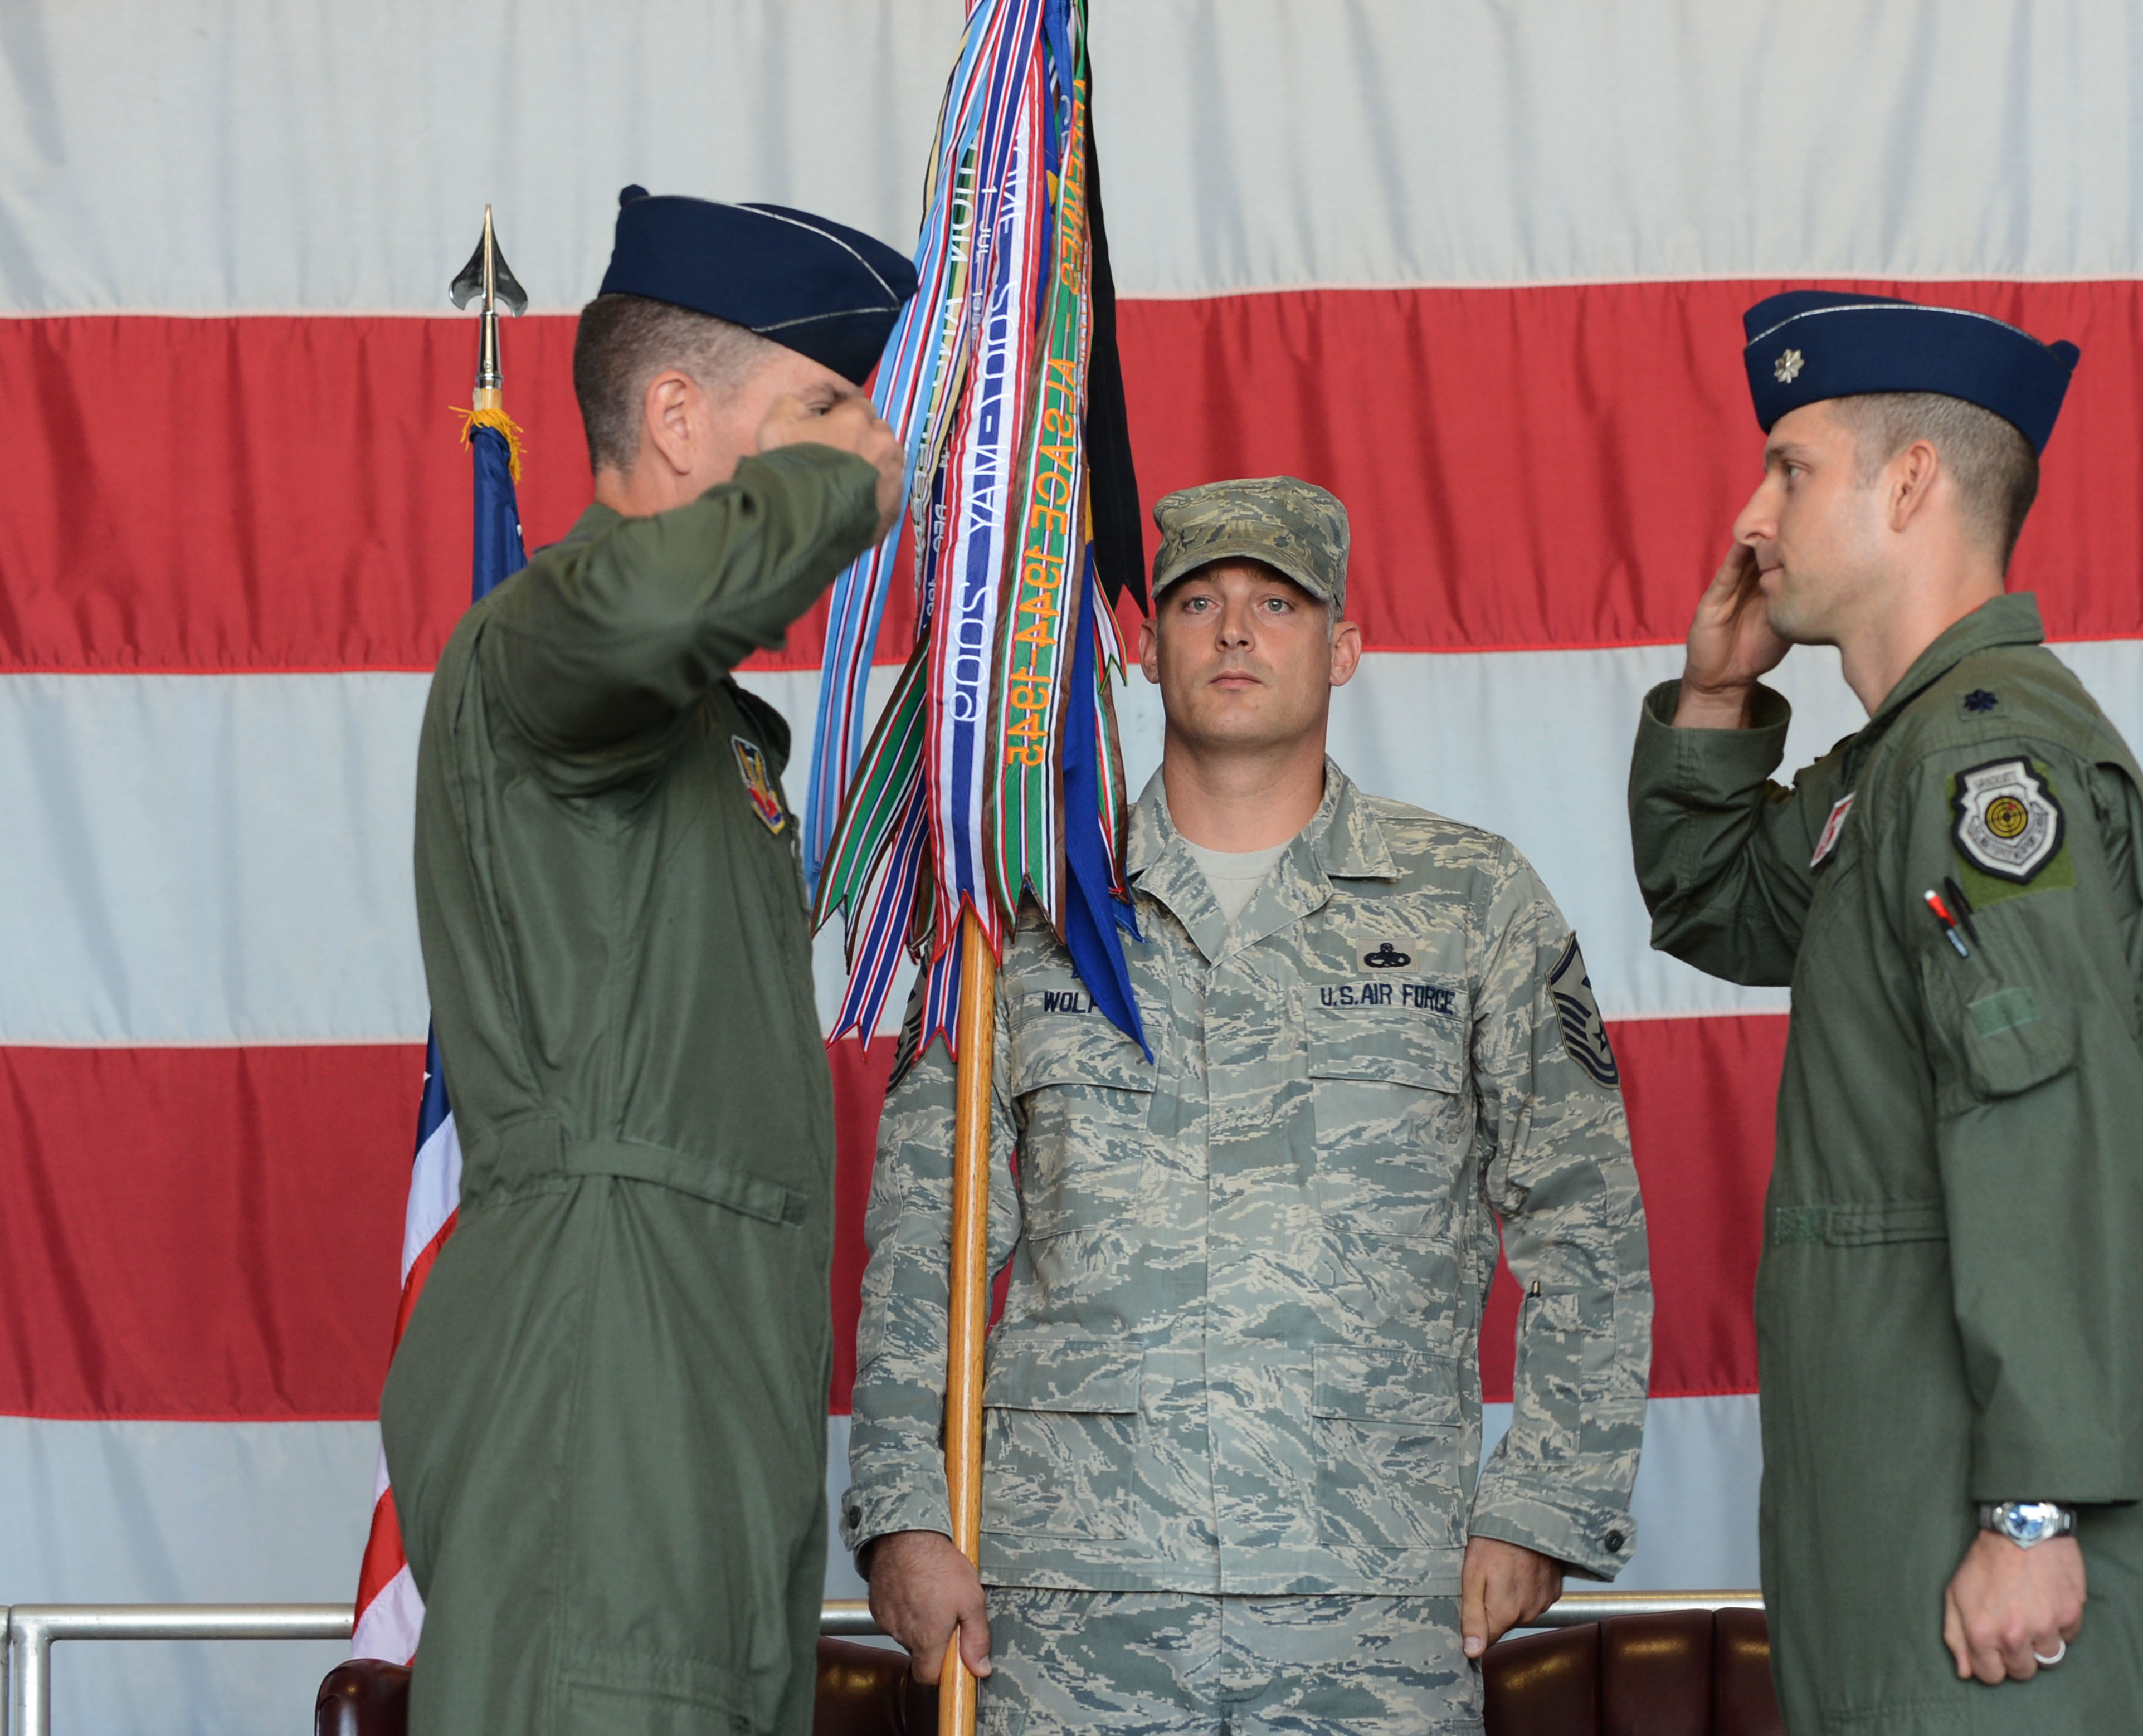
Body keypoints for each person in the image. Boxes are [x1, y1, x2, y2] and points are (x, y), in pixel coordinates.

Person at [845, 477, 1653, 1734]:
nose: (1234, 631)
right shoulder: (1021, 913)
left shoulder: (1468, 900)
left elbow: (1584, 1219)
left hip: (1373, 1601)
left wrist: (1542, 1503)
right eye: (1198, 600)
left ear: (1342, 651)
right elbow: (921, 1242)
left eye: (1278, 601)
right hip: (1070, 1615)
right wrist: (902, 1507)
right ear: (1145, 642)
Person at [1626, 292, 2143, 1735]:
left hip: (1976, 1525)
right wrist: (1713, 698)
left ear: (1908, 483)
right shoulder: (1896, 767)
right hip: (1894, 1509)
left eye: (1790, 468)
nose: (1751, 515)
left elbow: (2046, 1129)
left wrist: (2032, 1507)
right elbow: (1720, 905)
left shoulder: (1980, 768)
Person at [383, 186, 912, 1736]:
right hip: (599, 1376)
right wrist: (839, 492)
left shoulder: (706, 728)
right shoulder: (547, 641)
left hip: (694, 1382)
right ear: (678, 417)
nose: (870, 448)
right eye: (824, 409)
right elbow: (638, 613)